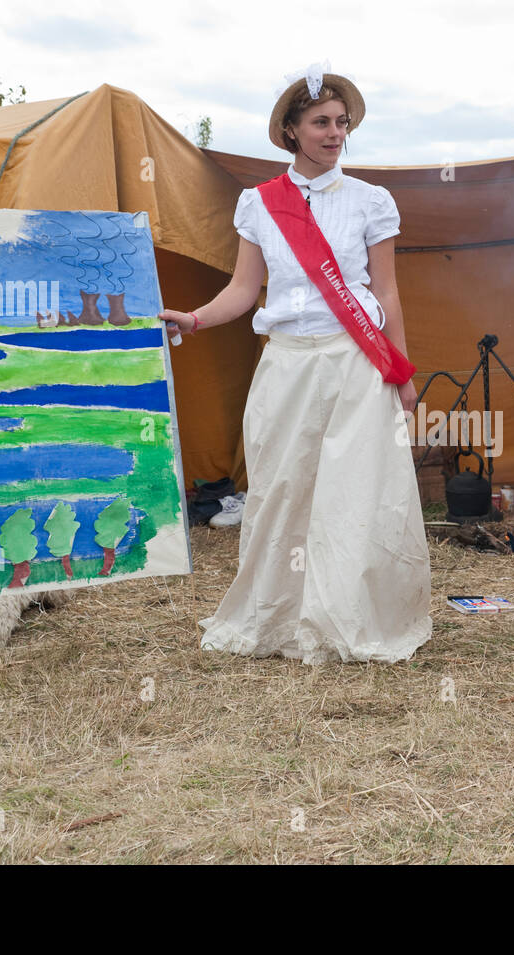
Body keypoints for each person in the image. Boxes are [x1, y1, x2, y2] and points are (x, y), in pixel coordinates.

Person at [161, 64, 432, 664]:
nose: (335, 133)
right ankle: (277, 619)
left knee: (357, 493)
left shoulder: (372, 200)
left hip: (358, 359)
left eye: (342, 123)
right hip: (286, 362)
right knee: (280, 489)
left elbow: (385, 293)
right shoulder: (258, 204)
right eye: (320, 123)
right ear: (290, 130)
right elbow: (244, 289)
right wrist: (197, 318)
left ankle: (351, 622)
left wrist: (402, 371)